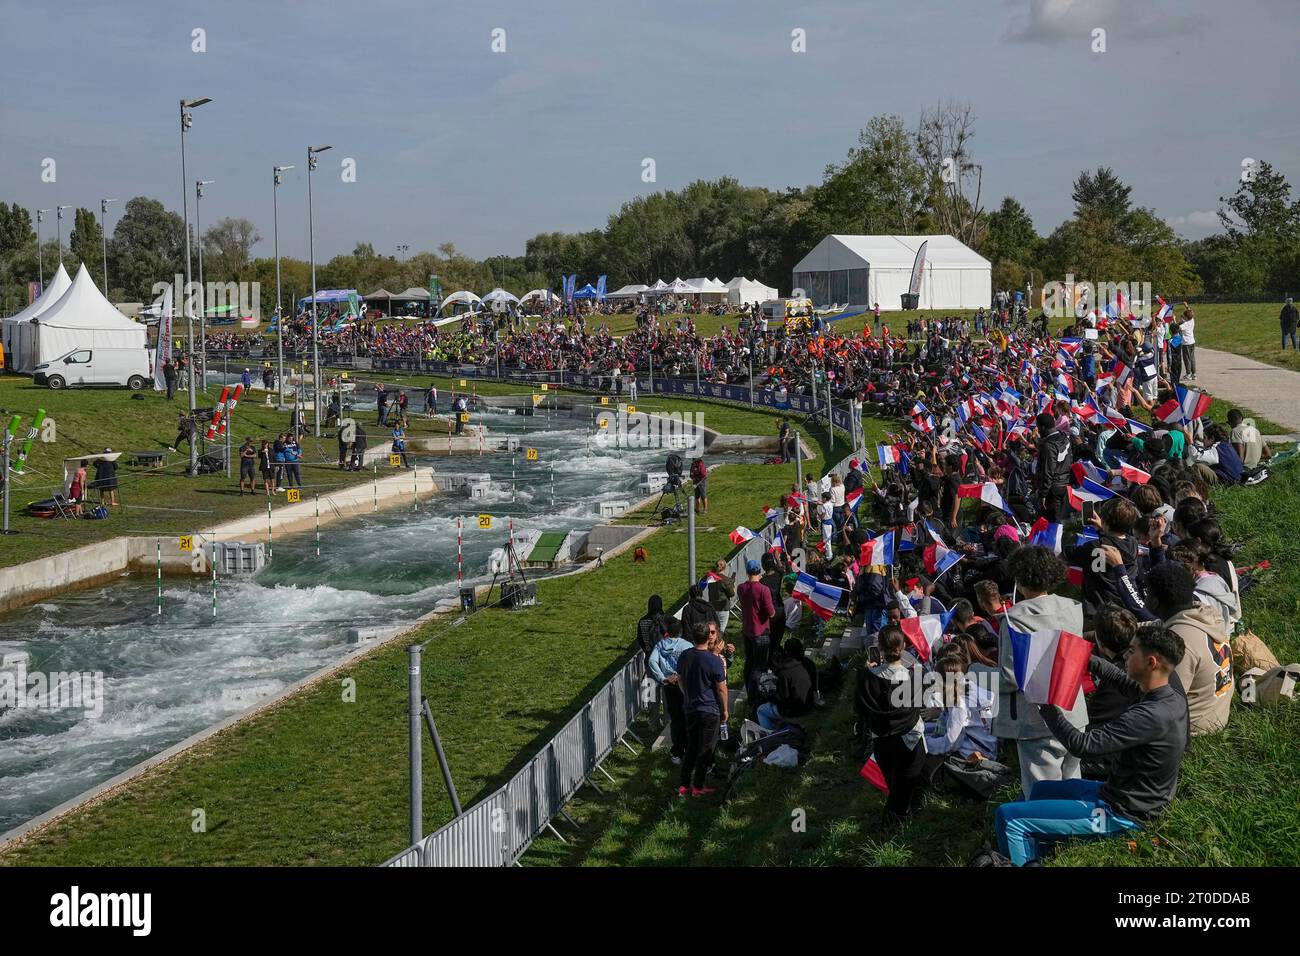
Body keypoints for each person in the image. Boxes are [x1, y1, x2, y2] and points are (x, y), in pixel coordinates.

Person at [994, 625, 1190, 866]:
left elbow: (1081, 745)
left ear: (1151, 662)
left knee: (1008, 817)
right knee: (1041, 790)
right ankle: (1041, 854)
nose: (1126, 657)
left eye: (1132, 651)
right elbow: (1118, 678)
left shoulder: (1149, 716)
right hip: (1123, 794)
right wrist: (1079, 654)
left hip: (1122, 814)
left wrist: (1044, 704)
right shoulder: (1167, 696)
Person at [994, 546, 1088, 799]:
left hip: (1037, 719)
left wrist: (977, 675)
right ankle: (1075, 834)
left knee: (1043, 794)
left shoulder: (1013, 619)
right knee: (1073, 784)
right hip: (1074, 710)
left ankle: (1048, 836)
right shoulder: (1072, 607)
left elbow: (1010, 677)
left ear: (1019, 578)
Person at [1144, 562, 1233, 735]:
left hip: (1197, 726)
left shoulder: (1177, 642)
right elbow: (1155, 625)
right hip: (1217, 712)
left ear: (1154, 602)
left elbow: (1165, 700)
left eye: (1147, 593)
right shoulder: (1204, 614)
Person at [858, 624, 928, 827]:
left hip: (882, 742)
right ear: (904, 646)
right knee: (903, 790)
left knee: (895, 786)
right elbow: (924, 705)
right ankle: (897, 828)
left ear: (879, 647)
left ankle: (897, 825)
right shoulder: (916, 675)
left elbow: (861, 710)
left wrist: (867, 674)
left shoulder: (866, 678)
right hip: (911, 740)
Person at [675, 621, 728, 797]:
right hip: (709, 709)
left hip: (690, 708)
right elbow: (722, 688)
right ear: (708, 637)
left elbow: (680, 679)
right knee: (705, 749)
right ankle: (697, 786)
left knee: (691, 747)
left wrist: (687, 695)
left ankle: (683, 785)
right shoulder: (714, 660)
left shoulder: (684, 656)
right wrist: (725, 710)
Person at [648, 621, 691, 765]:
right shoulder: (686, 645)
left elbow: (652, 661)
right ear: (681, 630)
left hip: (669, 685)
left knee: (675, 718)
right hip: (683, 684)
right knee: (687, 716)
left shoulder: (660, 645)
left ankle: (677, 752)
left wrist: (663, 678)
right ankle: (688, 747)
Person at [737, 558, 775, 699]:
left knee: (749, 662)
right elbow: (771, 613)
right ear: (760, 571)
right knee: (759, 666)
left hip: (747, 630)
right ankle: (757, 695)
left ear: (747, 572)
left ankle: (749, 690)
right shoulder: (763, 590)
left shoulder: (741, 588)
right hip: (761, 631)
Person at [706, 559, 735, 634]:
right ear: (725, 567)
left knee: (712, 631)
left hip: (713, 607)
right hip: (723, 608)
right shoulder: (726, 580)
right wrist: (733, 586)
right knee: (720, 631)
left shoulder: (711, 579)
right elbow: (732, 594)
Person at [1179, 308, 1196, 381]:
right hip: (1192, 342)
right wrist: (1186, 306)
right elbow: (1189, 313)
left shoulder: (1185, 324)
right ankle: (1194, 374)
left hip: (1186, 343)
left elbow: (1177, 328)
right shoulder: (1192, 320)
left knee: (1187, 359)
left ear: (1186, 317)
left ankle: (1188, 374)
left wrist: (1174, 319)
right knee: (1192, 358)